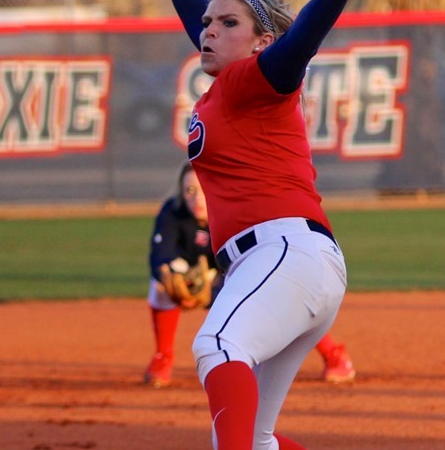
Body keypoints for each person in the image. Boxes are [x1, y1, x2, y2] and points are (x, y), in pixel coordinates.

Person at [122, 0, 401, 450]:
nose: (208, 30)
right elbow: (201, 10)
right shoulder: (227, 85)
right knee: (256, 439)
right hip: (276, 264)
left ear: (260, 41)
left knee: (215, 346)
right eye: (208, 23)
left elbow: (304, 34)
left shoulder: (262, 77)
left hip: (286, 251)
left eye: (226, 23)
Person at [144, 160, 356, 388]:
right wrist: (170, 276)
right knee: (160, 286)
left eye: (203, 190)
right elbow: (160, 257)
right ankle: (162, 358)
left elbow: (251, 260)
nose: (196, 199)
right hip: (190, 278)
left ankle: (333, 354)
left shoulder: (232, 212)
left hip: (232, 276)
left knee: (281, 301)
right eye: (190, 190)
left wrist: (213, 282)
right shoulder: (172, 212)